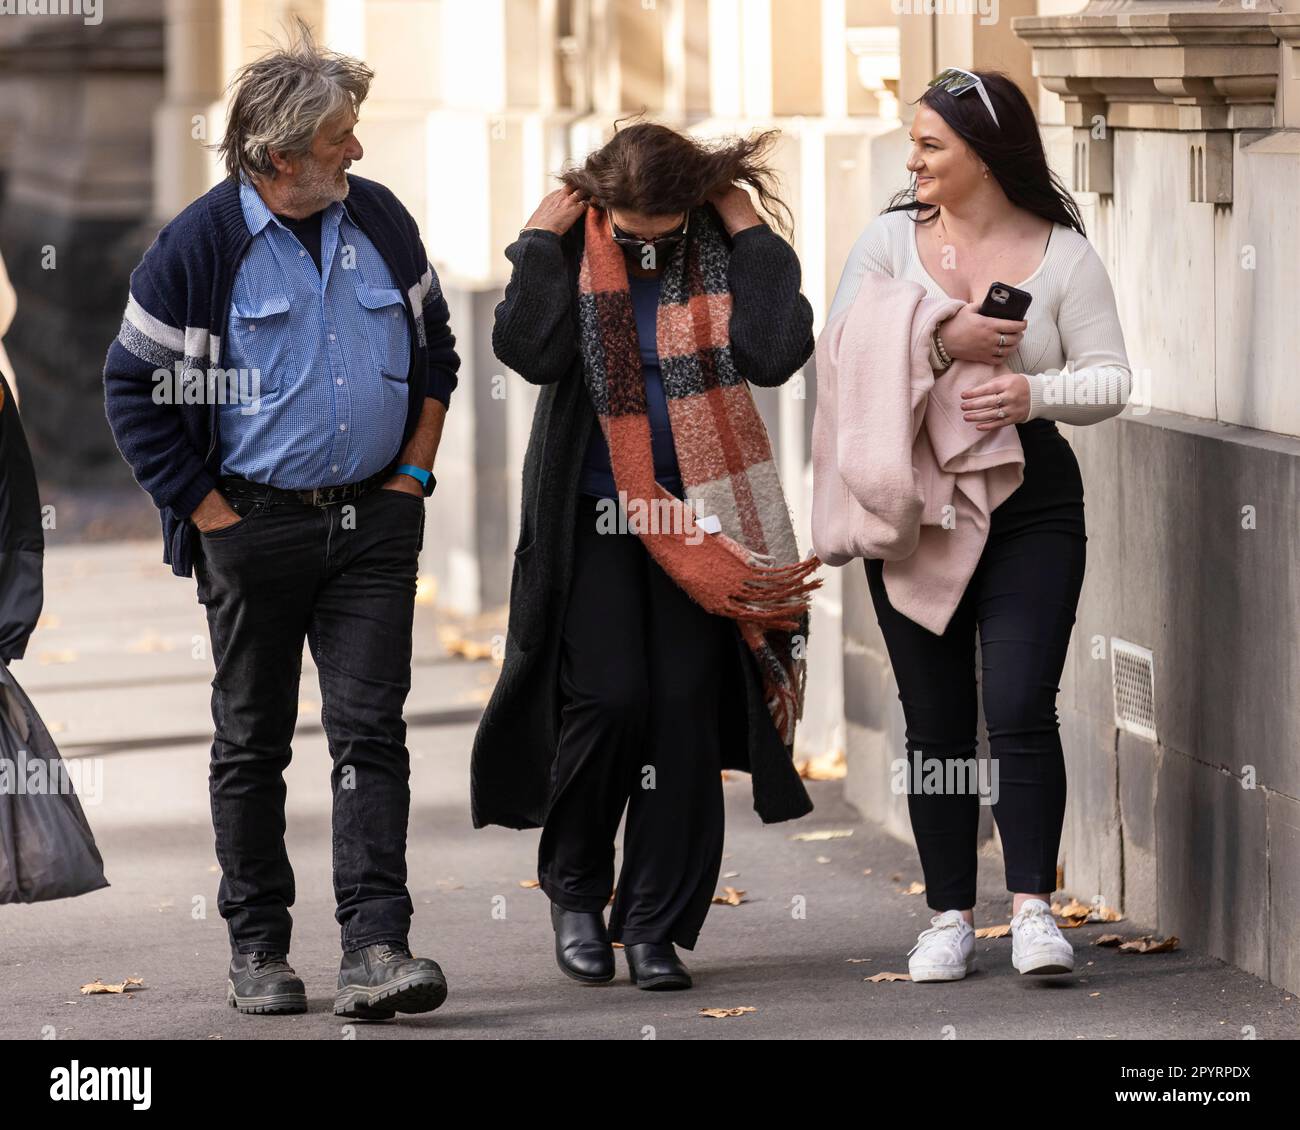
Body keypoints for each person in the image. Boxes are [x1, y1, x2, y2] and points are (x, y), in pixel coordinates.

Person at [102, 22, 460, 1019]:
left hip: (375, 528)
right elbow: (133, 386)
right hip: (252, 528)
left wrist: (413, 478)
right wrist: (212, 514)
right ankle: (260, 949)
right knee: (253, 743)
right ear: (279, 156)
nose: (357, 150)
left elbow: (438, 353)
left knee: (369, 733)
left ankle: (378, 948)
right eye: (340, 136)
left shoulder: (380, 221)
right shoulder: (199, 248)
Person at [470, 121, 821, 990]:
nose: (646, 248)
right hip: (595, 510)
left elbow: (775, 355)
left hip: (706, 517)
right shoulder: (578, 244)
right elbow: (527, 349)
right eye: (633, 235)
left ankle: (656, 924)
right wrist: (538, 243)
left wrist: (746, 229)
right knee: (611, 698)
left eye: (664, 233)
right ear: (601, 204)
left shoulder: (717, 245)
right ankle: (578, 891)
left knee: (684, 716)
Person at [824, 69, 1130, 982]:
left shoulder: (1064, 254)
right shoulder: (888, 242)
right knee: (938, 722)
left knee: (1020, 706)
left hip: (1033, 499)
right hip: (916, 500)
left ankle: (1036, 909)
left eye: (930, 146)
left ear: (986, 157)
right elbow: (837, 350)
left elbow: (1113, 378)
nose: (911, 160)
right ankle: (949, 915)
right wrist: (933, 338)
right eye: (913, 142)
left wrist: (1034, 392)